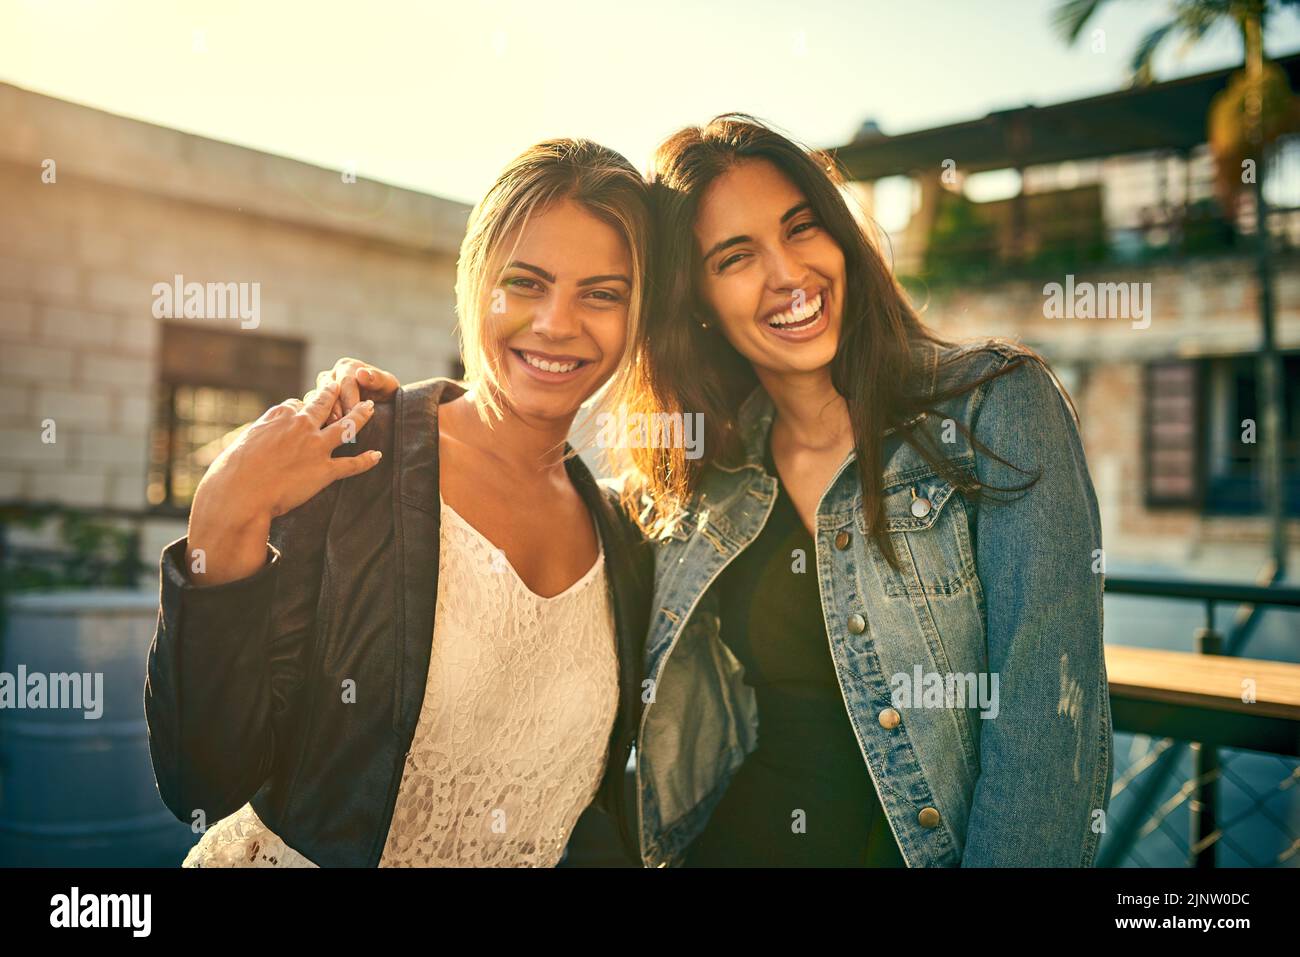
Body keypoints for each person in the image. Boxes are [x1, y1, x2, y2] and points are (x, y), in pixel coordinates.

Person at [318, 115, 1114, 868]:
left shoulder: (996, 406)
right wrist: (401, 414)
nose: (787, 274)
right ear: (695, 303)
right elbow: (533, 509)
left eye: (801, 228)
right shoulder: (701, 482)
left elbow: (1050, 725)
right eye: (734, 257)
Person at [144, 138, 653, 867]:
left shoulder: (629, 543)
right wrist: (224, 512)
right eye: (527, 283)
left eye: (602, 293)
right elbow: (202, 781)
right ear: (476, 285)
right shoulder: (352, 458)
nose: (557, 323)